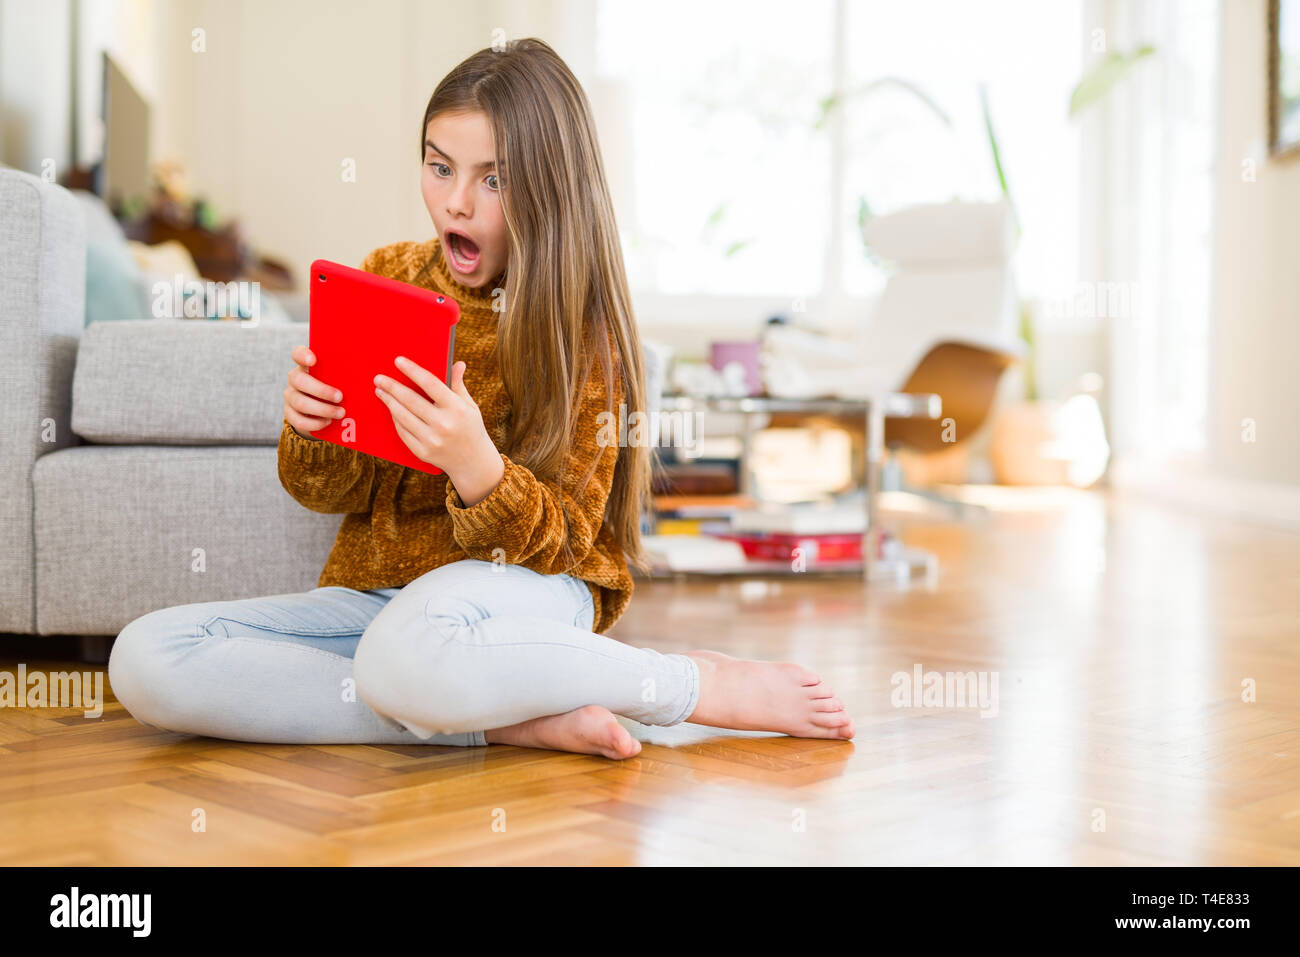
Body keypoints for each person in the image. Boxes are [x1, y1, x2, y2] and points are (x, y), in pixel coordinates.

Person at [108, 38, 854, 760]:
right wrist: (312, 426)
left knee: (403, 656)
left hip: (528, 590)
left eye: (492, 180)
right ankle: (495, 720)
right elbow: (325, 490)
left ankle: (690, 682)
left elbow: (568, 540)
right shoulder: (390, 275)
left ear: (549, 187)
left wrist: (475, 465)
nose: (456, 203)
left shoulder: (582, 327)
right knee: (149, 657)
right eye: (439, 167)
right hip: (380, 600)